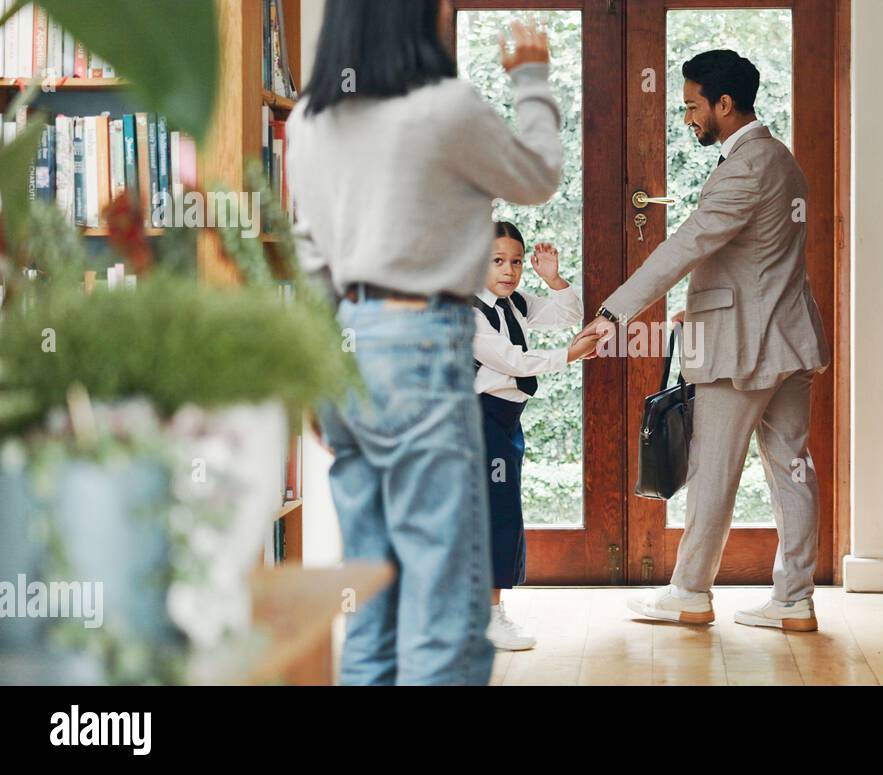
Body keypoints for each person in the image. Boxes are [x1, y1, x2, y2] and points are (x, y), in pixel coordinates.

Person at [287, 1, 576, 684]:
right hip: (419, 343)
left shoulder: (310, 118)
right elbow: (537, 176)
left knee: (374, 602)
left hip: (344, 350)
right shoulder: (445, 108)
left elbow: (309, 256)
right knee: (446, 607)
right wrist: (532, 79)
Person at [583, 50, 830, 631]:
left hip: (740, 349)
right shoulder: (782, 161)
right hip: (789, 343)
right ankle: (795, 599)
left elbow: (687, 245)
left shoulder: (745, 166)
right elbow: (756, 263)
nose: (687, 116)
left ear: (724, 103)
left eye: (693, 105)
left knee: (713, 469)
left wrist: (615, 311)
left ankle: (691, 591)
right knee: (793, 468)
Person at [473, 222, 597, 650]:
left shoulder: (517, 302)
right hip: (477, 421)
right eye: (497, 261)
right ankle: (488, 615)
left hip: (508, 420)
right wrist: (571, 354)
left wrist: (554, 279)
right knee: (498, 512)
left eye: (517, 262)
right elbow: (512, 361)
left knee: (498, 510)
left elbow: (568, 314)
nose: (509, 271)